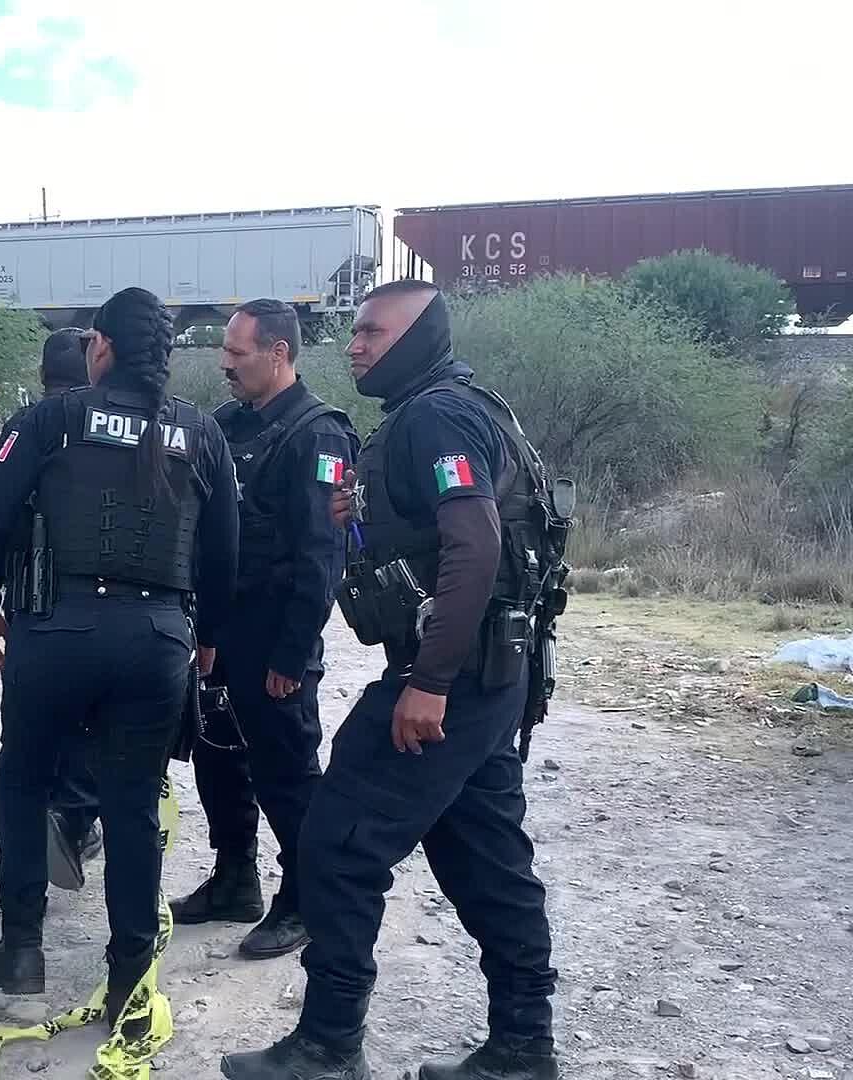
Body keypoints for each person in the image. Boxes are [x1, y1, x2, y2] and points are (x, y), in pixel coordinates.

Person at [222, 281, 560, 1080]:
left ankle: (329, 1046)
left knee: (337, 843)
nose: (356, 344)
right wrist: (362, 516)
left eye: (373, 331)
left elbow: (475, 545)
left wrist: (430, 681)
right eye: (357, 332)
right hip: (493, 675)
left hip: (455, 678)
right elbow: (451, 532)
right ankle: (522, 1046)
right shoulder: (449, 408)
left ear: (417, 337)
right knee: (486, 858)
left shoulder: (437, 416)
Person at [0, 286, 238, 1027]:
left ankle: (22, 948)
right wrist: (205, 637)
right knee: (131, 802)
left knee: (22, 781)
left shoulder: (52, 418)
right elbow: (222, 551)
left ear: (103, 348)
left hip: (54, 629)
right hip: (156, 638)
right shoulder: (203, 434)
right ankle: (129, 977)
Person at [171, 299, 356, 962]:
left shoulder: (317, 434)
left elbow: (320, 556)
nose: (224, 363)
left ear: (278, 353)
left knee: (285, 771)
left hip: (275, 636)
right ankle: (234, 878)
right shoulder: (223, 426)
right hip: (217, 632)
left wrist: (293, 650)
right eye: (225, 351)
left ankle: (304, 899)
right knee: (219, 758)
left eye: (238, 352)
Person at [5, 326, 104, 891]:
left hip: (32, 598)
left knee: (30, 724)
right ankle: (77, 819)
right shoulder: (131, 420)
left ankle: (38, 831)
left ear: (43, 375)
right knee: (93, 721)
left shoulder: (26, 425)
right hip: (112, 602)